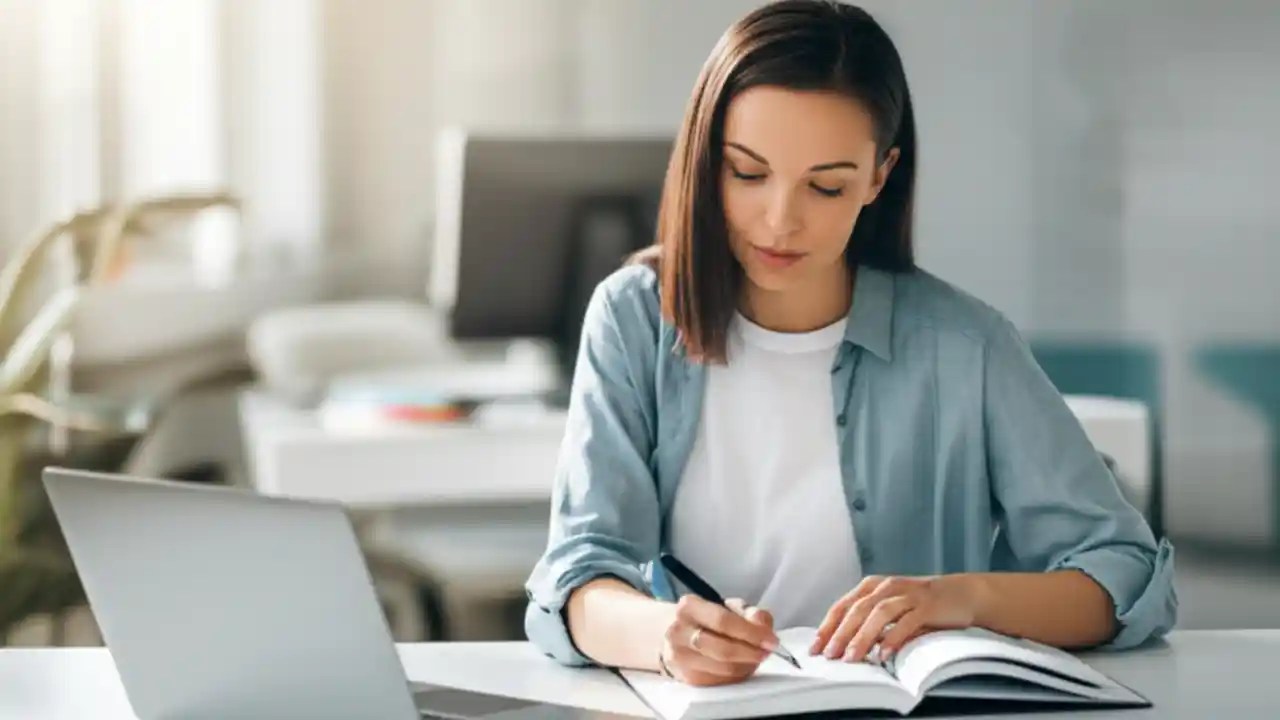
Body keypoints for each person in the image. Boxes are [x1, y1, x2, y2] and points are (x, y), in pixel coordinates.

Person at [525, 0, 1176, 687]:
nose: (780, 221)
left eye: (826, 186)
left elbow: (1127, 573)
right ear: (705, 162)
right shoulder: (632, 318)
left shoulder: (964, 345)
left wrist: (957, 599)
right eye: (747, 174)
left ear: (879, 176)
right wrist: (666, 635)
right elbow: (579, 574)